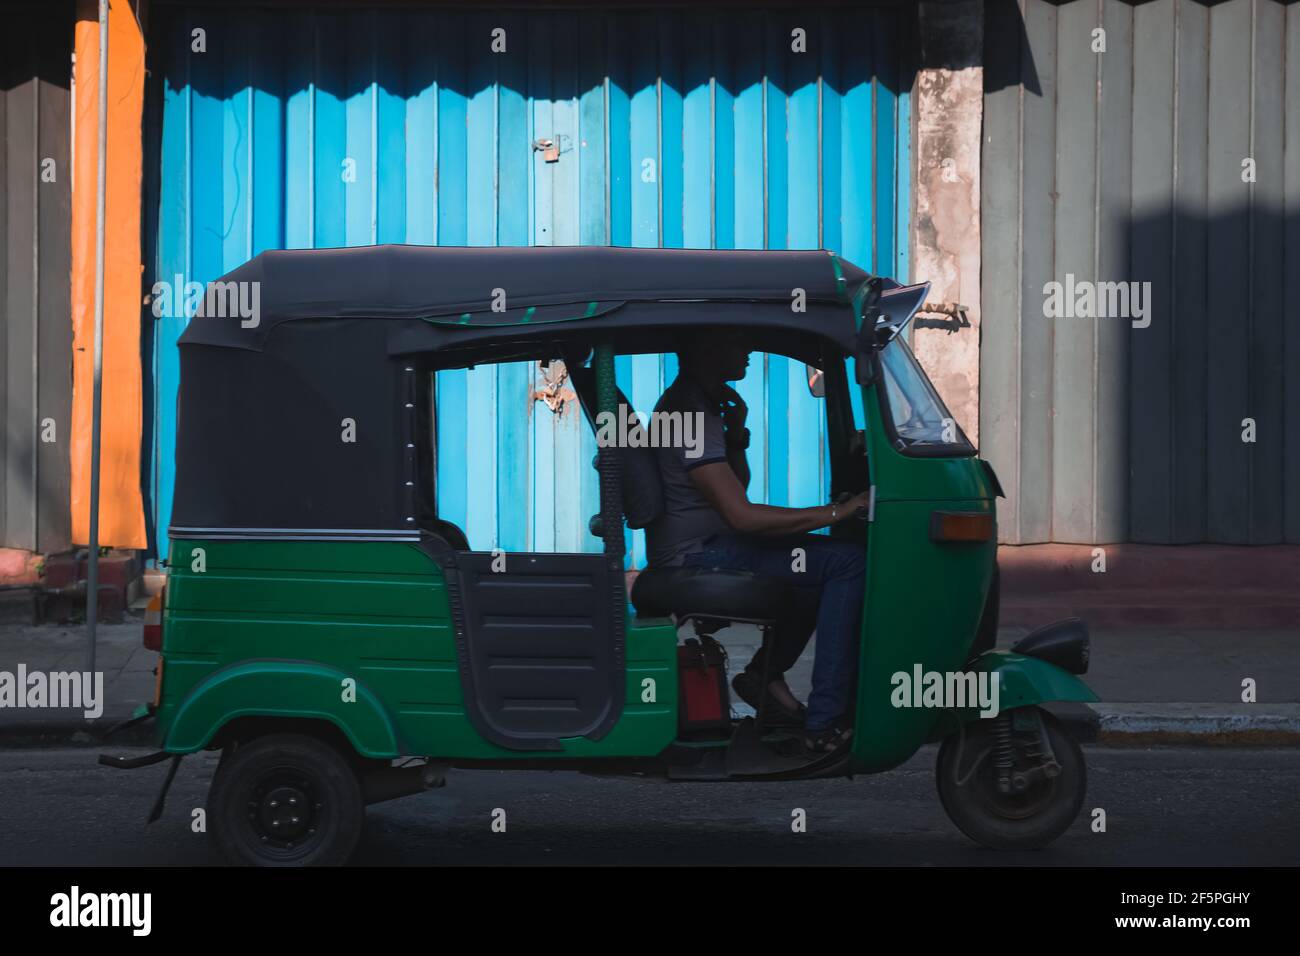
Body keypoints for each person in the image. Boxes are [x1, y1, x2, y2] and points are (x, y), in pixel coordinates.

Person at [644, 330, 871, 753]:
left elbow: (737, 489)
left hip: (714, 541)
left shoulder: (701, 406)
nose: (747, 351)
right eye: (739, 341)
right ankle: (825, 724)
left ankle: (765, 678)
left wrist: (737, 434)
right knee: (846, 563)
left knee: (816, 567)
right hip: (700, 554)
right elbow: (742, 516)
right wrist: (841, 511)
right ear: (706, 347)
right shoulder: (689, 412)